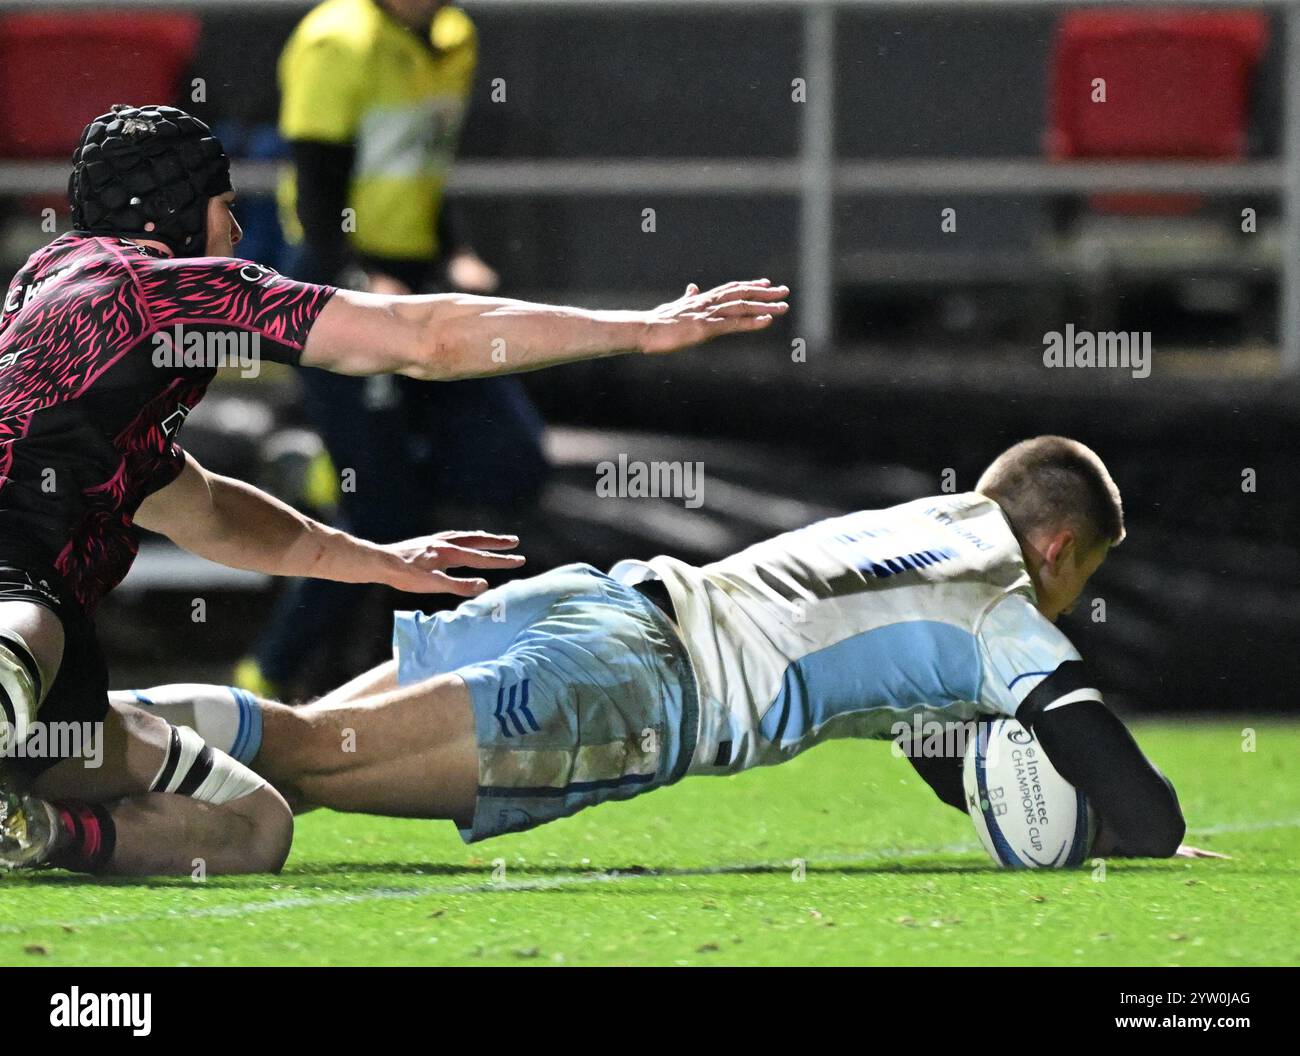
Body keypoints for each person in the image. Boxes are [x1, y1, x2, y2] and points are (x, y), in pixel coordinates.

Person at [0, 103, 789, 874]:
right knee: (25, 625)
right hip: (25, 607)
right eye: (224, 208)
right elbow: (424, 339)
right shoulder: (172, 290)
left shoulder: (51, 294)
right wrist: (638, 329)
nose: (236, 233)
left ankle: (28, 830)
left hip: (54, 669)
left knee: (251, 826)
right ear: (168, 211)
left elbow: (201, 507)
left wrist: (374, 560)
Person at [20, 437, 1223, 874]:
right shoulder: (1002, 609)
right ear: (1058, 543)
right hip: (638, 686)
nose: (1069, 603)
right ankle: (37, 760)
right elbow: (1149, 812)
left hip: (595, 600)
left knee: (287, 740)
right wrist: (1104, 830)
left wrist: (990, 794)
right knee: (294, 762)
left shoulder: (920, 523)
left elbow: (918, 721)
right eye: (1083, 577)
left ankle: (51, 742)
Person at [242, 0, 549, 698]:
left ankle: (339, 460)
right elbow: (318, 182)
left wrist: (456, 251)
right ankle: (271, 673)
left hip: (416, 280)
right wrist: (353, 278)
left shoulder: (454, 38)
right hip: (336, 275)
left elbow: (417, 167)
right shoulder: (336, 40)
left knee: (509, 458)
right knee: (383, 512)